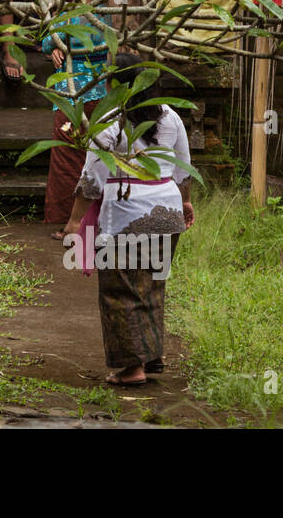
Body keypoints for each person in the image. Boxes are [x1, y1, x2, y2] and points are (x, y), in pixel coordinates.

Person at [68, 54, 193, 387]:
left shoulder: (108, 118)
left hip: (124, 213)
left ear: (113, 86)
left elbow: (93, 177)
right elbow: (183, 168)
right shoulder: (171, 116)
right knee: (152, 285)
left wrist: (75, 219)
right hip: (167, 211)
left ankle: (131, 368)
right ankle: (152, 356)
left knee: (120, 290)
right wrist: (187, 202)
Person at [42, 0, 111, 241]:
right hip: (100, 93)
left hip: (71, 95)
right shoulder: (106, 12)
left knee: (66, 159)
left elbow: (48, 42)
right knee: (95, 157)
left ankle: (68, 222)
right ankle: (93, 220)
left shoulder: (68, 15)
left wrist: (56, 48)